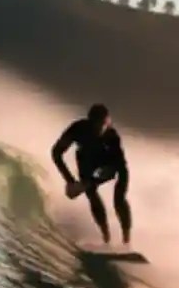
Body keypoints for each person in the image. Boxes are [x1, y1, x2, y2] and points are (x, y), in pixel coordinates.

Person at [51, 103, 132, 245]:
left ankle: (126, 240)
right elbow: (56, 153)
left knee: (118, 199)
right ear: (89, 122)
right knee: (91, 194)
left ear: (106, 123)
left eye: (102, 125)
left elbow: (117, 169)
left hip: (111, 164)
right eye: (95, 124)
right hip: (87, 160)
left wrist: (92, 182)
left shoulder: (112, 136)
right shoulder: (77, 129)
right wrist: (70, 180)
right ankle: (106, 237)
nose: (98, 128)